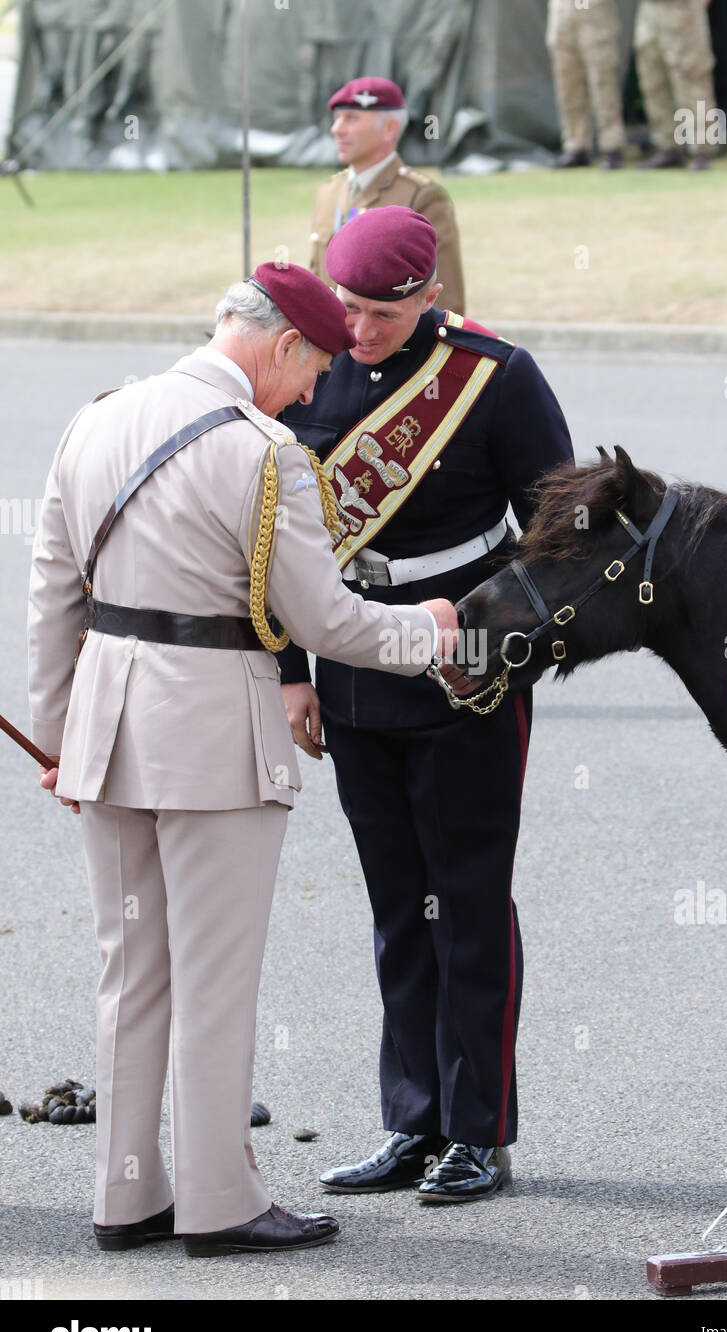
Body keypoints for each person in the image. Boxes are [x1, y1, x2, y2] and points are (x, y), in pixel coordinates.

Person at [27, 262, 459, 1256]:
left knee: (131, 974)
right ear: (275, 345)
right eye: (310, 369)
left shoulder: (96, 416)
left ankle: (127, 1194)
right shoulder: (263, 453)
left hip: (108, 723)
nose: (312, 393)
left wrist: (57, 739)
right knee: (214, 979)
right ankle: (220, 1201)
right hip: (209, 729)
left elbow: (53, 593)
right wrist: (429, 631)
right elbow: (326, 621)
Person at [278, 207, 573, 1203]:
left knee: (467, 902)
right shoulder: (310, 365)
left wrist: (508, 649)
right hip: (353, 662)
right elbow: (272, 536)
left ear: (429, 295)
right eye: (346, 307)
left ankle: (477, 1129)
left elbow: (561, 528)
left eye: (378, 312)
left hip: (466, 662)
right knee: (398, 904)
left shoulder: (493, 376)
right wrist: (288, 671)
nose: (355, 330)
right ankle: (410, 1117)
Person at [309, 75, 466, 316]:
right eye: (337, 118)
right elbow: (316, 280)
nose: (337, 129)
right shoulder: (328, 192)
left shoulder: (422, 197)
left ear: (390, 128)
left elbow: (446, 298)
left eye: (351, 118)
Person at [634, 0, 717, 171]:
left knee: (691, 80)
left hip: (682, 8)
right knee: (653, 82)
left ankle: (702, 148)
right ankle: (667, 147)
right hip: (649, 10)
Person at [546, 0, 626, 170]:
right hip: (562, 11)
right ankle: (576, 146)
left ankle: (611, 146)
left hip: (594, 10)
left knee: (603, 83)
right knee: (568, 85)